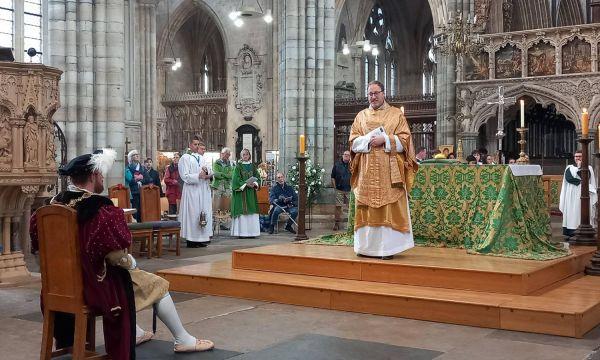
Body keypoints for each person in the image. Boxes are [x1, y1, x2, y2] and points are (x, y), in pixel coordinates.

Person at [29, 149, 214, 358]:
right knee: (155, 283)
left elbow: (37, 247)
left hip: (56, 287)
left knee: (127, 277)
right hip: (94, 288)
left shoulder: (49, 208)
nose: (102, 178)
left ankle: (135, 332)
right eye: (101, 174)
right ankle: (183, 339)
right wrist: (130, 262)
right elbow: (115, 254)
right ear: (93, 176)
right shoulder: (99, 209)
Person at [349, 80, 418, 260]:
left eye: (376, 93)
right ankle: (366, 247)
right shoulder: (361, 116)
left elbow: (405, 141)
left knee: (388, 205)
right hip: (366, 172)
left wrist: (386, 140)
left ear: (383, 93)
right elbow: (353, 142)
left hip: (389, 172)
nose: (373, 97)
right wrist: (369, 140)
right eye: (370, 94)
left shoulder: (396, 115)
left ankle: (387, 250)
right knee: (366, 206)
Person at [179, 136, 213, 248]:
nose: (197, 146)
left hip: (202, 189)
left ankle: (201, 238)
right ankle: (191, 240)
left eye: (198, 144)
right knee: (193, 214)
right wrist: (198, 176)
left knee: (202, 213)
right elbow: (184, 176)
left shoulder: (201, 157)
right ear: (190, 145)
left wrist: (208, 172)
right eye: (195, 144)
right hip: (192, 190)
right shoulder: (185, 157)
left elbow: (209, 168)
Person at [559, 150, 597, 239]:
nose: (578, 158)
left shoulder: (589, 167)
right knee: (572, 212)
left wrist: (580, 168)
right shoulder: (569, 167)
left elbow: (587, 177)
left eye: (580, 156)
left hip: (584, 194)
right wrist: (581, 181)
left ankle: (584, 231)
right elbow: (569, 178)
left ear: (583, 157)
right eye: (576, 156)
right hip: (571, 195)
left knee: (581, 211)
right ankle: (571, 232)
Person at [230, 148, 261, 237]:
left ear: (249, 155)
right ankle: (241, 233)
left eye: (246, 154)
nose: (245, 156)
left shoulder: (253, 166)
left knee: (251, 211)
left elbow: (257, 177)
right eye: (243, 155)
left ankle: (252, 233)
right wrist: (245, 184)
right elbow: (236, 179)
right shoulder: (238, 166)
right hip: (241, 193)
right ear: (241, 156)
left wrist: (254, 183)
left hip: (251, 193)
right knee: (242, 212)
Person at [126, 150, 150, 221]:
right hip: (133, 192)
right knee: (135, 210)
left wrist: (141, 180)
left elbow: (148, 179)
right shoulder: (128, 168)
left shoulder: (142, 168)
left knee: (142, 210)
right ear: (131, 157)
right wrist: (136, 180)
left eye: (137, 154)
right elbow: (129, 180)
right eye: (134, 155)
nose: (137, 156)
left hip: (142, 192)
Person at [211, 147, 234, 223]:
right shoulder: (216, 163)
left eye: (229, 155)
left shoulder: (229, 164)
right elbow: (216, 174)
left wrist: (222, 174)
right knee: (216, 204)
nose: (227, 156)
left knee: (225, 204)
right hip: (218, 186)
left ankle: (224, 223)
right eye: (226, 154)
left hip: (226, 186)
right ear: (222, 154)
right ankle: (214, 221)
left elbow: (231, 175)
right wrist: (225, 175)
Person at [331, 150, 351, 231]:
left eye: (348, 155)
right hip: (339, 189)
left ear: (350, 157)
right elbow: (332, 177)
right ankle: (336, 223)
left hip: (350, 189)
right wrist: (335, 187)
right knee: (338, 207)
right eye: (345, 154)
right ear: (342, 155)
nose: (346, 156)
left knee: (351, 207)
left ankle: (351, 224)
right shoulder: (337, 165)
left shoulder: (352, 165)